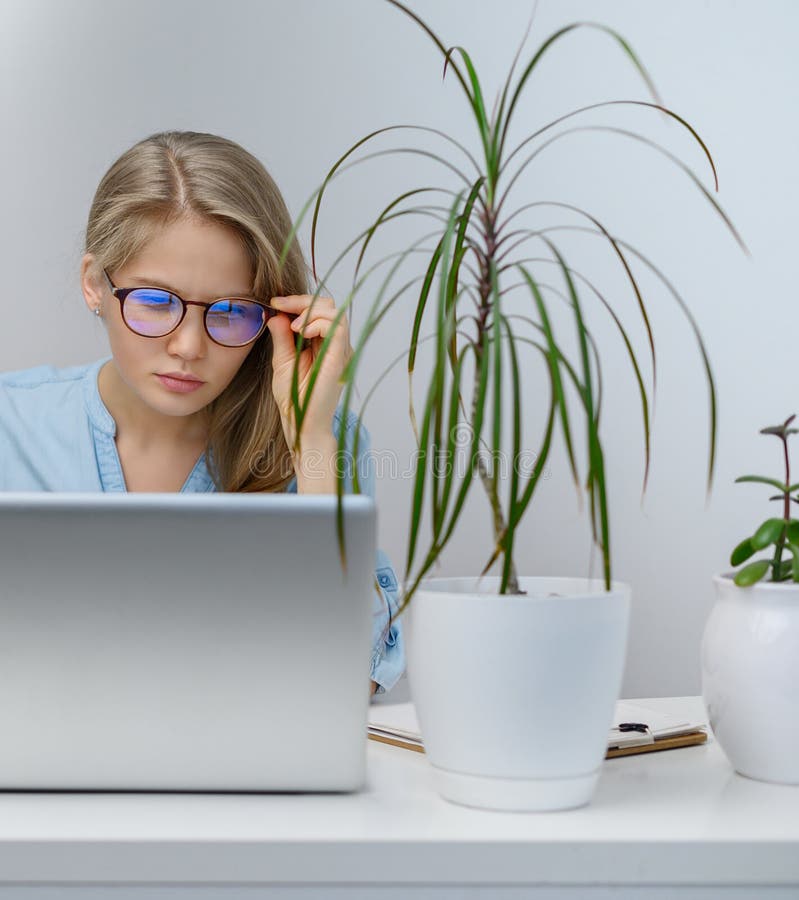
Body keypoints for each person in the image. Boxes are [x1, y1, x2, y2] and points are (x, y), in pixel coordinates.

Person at [0, 130, 405, 696]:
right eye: (155, 301)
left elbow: (345, 681)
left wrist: (311, 449)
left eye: (232, 312)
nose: (189, 347)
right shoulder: (10, 426)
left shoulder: (321, 442)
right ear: (95, 285)